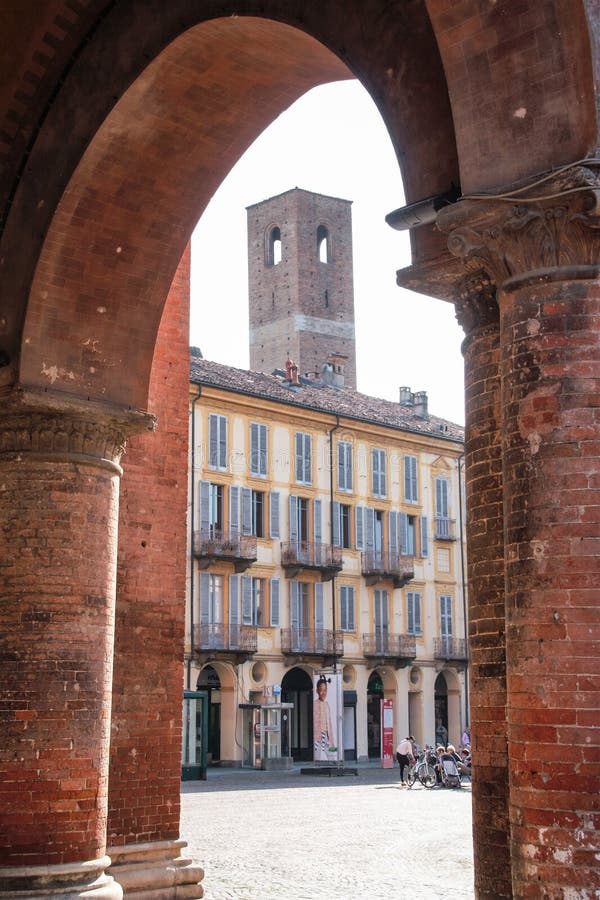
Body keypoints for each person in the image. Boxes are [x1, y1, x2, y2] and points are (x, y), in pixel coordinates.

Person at [313, 676, 336, 761]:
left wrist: (332, 740)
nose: (323, 693)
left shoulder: (327, 705)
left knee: (332, 755)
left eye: (325, 690)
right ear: (317, 691)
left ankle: (334, 764)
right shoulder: (314, 704)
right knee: (317, 756)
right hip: (317, 736)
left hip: (326, 735)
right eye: (321, 690)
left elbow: (329, 723)